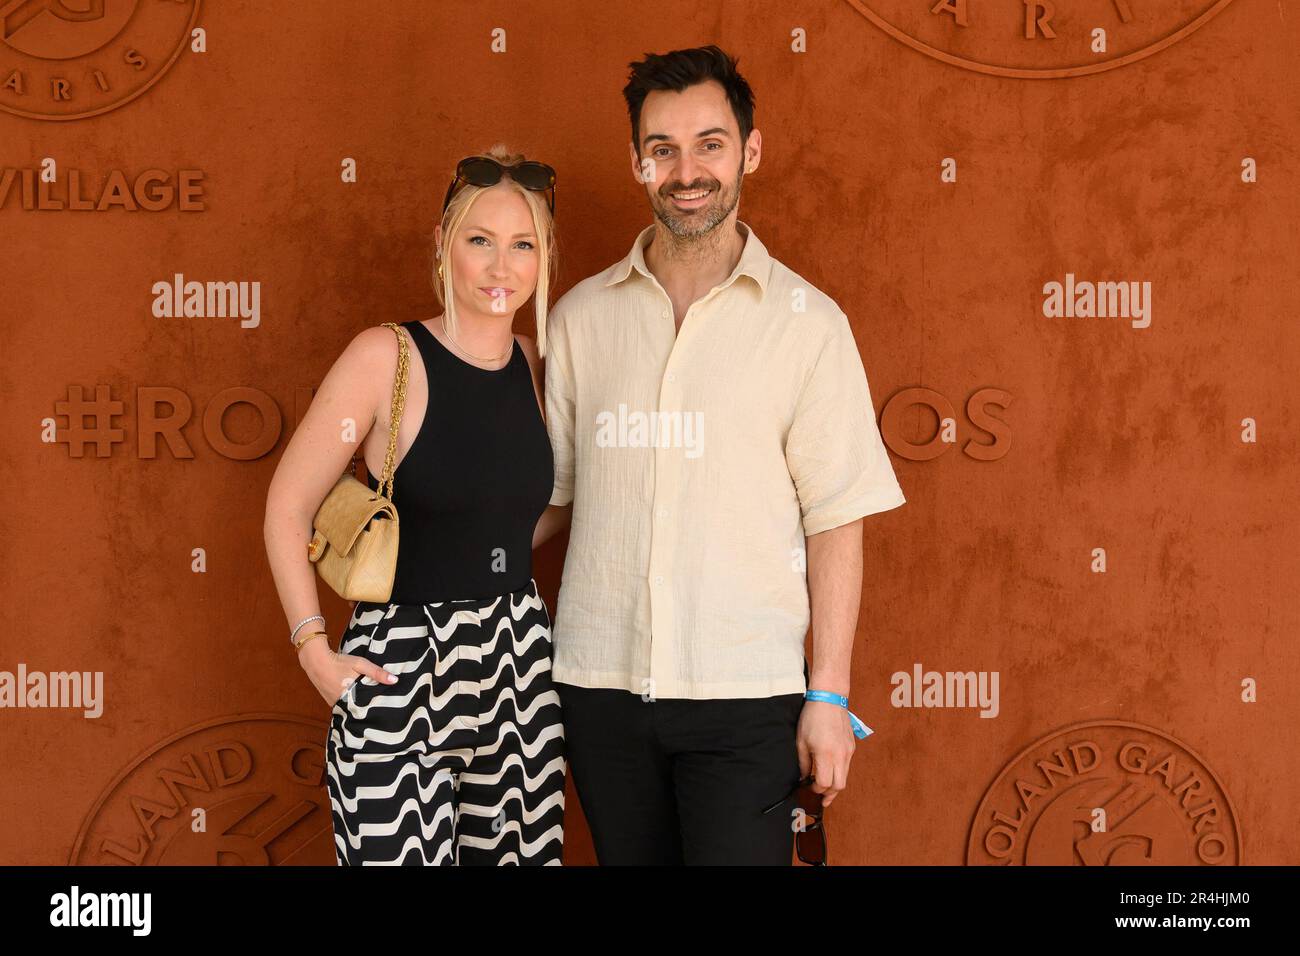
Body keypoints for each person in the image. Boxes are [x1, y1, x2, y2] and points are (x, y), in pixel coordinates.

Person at [538, 46, 907, 864]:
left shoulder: (810, 325)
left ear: (751, 151)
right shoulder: (578, 320)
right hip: (598, 688)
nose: (686, 170)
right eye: (662, 147)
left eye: (710, 143)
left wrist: (830, 695)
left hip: (747, 698)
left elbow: (837, 516)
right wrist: (423, 535)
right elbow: (551, 499)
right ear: (637, 161)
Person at [263, 145, 567, 865]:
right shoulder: (384, 357)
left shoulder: (533, 364)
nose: (502, 267)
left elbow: (521, 514)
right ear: (442, 245)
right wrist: (313, 650)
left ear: (545, 256)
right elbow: (286, 506)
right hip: (401, 664)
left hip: (518, 662)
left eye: (523, 244)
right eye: (480, 241)